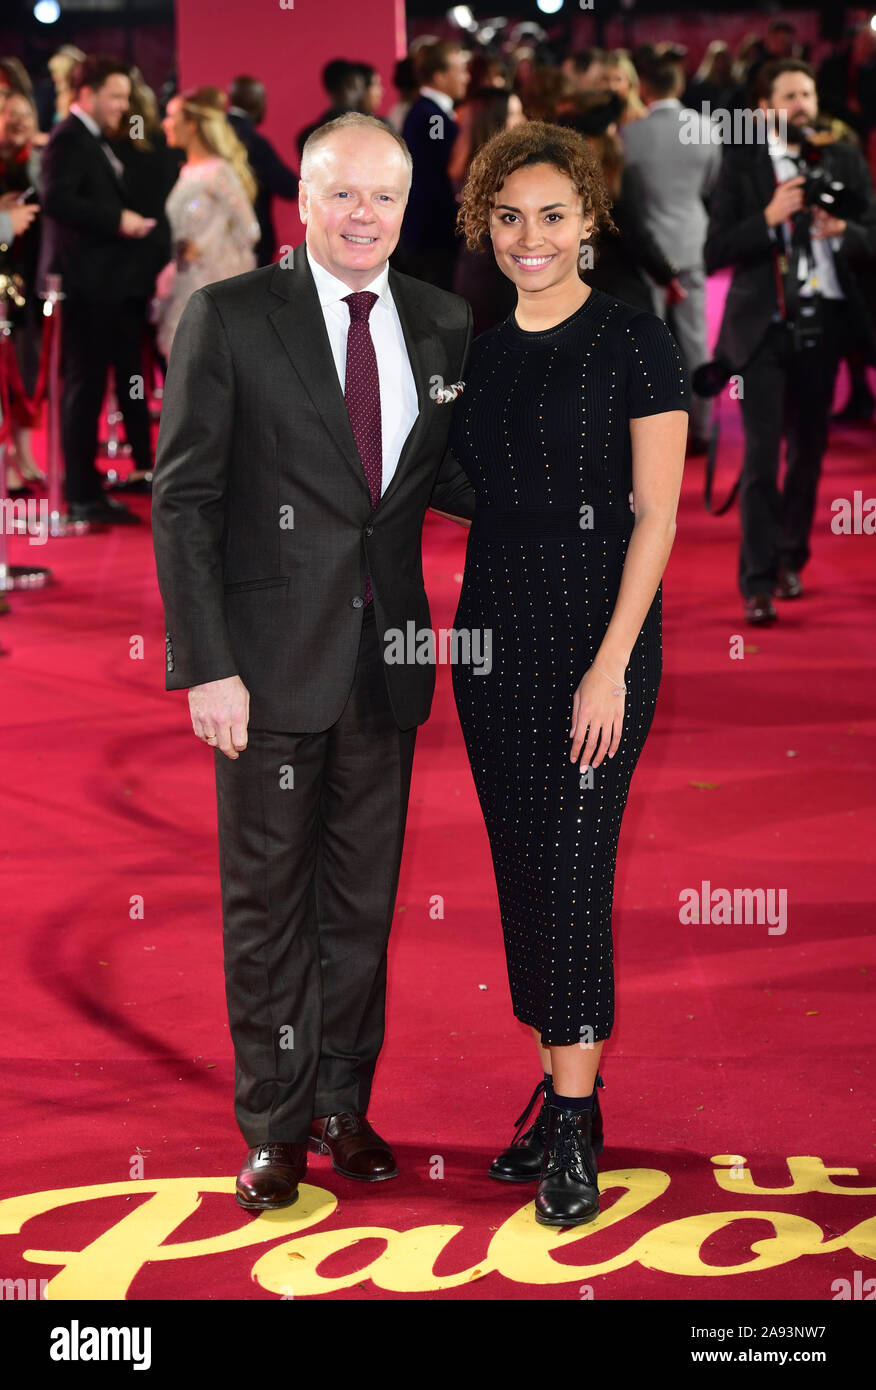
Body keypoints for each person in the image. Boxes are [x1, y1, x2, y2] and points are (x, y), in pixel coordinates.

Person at [151, 112, 477, 1213]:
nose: (364, 217)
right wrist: (205, 664)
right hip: (264, 670)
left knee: (360, 905)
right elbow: (186, 500)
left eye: (384, 197)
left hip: (384, 665)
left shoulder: (440, 322)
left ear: (405, 204)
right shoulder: (233, 316)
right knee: (267, 907)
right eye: (343, 195)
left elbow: (454, 481)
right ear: (302, 199)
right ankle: (273, 1123)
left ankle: (344, 1102)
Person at [450, 120, 689, 1226]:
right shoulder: (480, 353)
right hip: (493, 645)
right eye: (508, 217)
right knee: (526, 874)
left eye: (552, 215)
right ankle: (556, 1089)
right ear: (482, 227)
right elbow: (460, 490)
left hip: (599, 645)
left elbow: (657, 515)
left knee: (577, 873)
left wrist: (612, 669)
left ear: (591, 221)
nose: (529, 238)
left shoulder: (636, 341)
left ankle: (578, 1125)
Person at [704, 59, 876, 624]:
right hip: (764, 330)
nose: (801, 102)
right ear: (763, 108)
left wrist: (844, 232)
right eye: (788, 93)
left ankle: (789, 557)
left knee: (808, 452)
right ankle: (755, 581)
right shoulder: (742, 163)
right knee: (760, 455)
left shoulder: (845, 158)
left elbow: (871, 234)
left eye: (807, 92)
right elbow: (715, 250)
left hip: (825, 324)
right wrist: (768, 218)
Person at [41, 54, 159, 525]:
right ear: (86, 95)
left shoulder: (93, 139)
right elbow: (56, 199)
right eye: (114, 96)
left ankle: (87, 489)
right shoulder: (68, 138)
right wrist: (119, 219)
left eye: (126, 97)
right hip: (84, 287)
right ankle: (80, 494)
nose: (122, 106)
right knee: (84, 390)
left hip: (107, 287)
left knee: (93, 389)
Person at [621, 55, 720, 453]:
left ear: (644, 87)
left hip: (647, 249)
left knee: (648, 346)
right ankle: (702, 428)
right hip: (692, 240)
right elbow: (711, 184)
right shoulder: (706, 128)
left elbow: (625, 193)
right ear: (679, 85)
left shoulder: (629, 134)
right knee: (696, 339)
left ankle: (653, 436)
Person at [153, 87, 259, 358]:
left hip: (211, 281)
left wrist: (203, 246)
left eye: (170, 116)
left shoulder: (218, 172)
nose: (164, 123)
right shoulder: (187, 171)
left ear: (192, 124)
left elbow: (250, 229)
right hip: (185, 278)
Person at [450, 85, 525, 334]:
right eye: (515, 114)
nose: (523, 121)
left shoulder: (468, 163)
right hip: (493, 278)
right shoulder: (499, 173)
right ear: (496, 122)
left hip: (480, 273)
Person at [396, 39, 470, 289]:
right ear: (439, 76)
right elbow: (445, 171)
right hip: (433, 237)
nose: (466, 77)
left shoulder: (427, 112)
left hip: (428, 235)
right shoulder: (431, 117)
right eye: (460, 70)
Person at [0, 87, 44, 491]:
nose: (16, 122)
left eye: (22, 114)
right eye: (7, 115)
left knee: (28, 376)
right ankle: (7, 465)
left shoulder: (42, 161)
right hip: (5, 284)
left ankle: (25, 456)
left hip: (32, 285)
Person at [227, 75, 298, 267]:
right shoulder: (255, 143)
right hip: (251, 236)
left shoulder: (215, 137)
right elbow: (289, 186)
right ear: (255, 102)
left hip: (217, 235)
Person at [296, 59, 367, 160]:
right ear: (351, 84)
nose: (362, 93)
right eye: (360, 86)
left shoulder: (306, 136)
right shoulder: (370, 129)